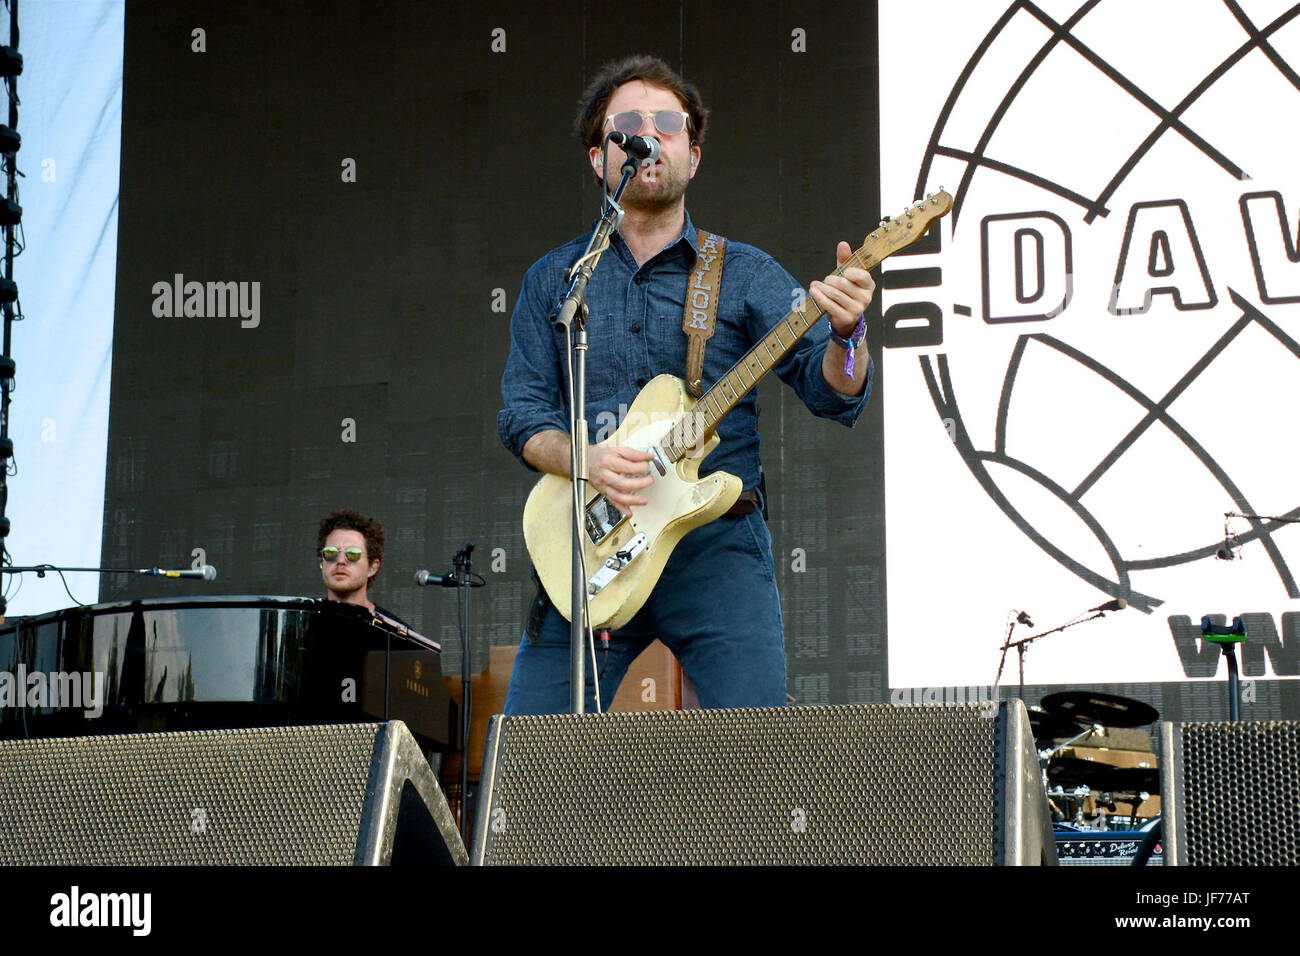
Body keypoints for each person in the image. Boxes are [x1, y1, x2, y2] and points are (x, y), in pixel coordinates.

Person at [497, 55, 875, 715]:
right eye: (630, 125)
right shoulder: (554, 280)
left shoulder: (747, 273)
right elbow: (522, 416)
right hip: (595, 538)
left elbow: (831, 390)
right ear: (599, 158)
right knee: (534, 761)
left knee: (753, 749)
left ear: (692, 158)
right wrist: (587, 462)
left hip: (715, 544)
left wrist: (847, 336)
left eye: (667, 123)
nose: (650, 134)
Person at [317, 509, 385, 610]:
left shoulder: (389, 625)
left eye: (353, 554)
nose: (340, 561)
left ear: (373, 567)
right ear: (322, 562)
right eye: (331, 553)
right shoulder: (302, 622)